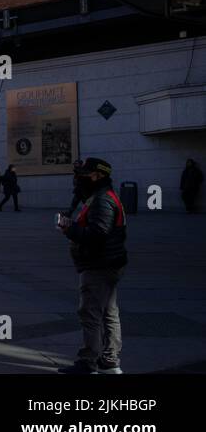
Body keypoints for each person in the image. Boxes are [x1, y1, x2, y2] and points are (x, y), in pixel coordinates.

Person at [58, 157, 127, 374]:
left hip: (99, 264)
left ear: (98, 175)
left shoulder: (103, 201)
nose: (80, 179)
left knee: (90, 313)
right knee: (108, 311)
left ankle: (89, 361)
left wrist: (70, 230)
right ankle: (110, 360)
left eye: (85, 175)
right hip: (107, 263)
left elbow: (97, 235)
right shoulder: (101, 196)